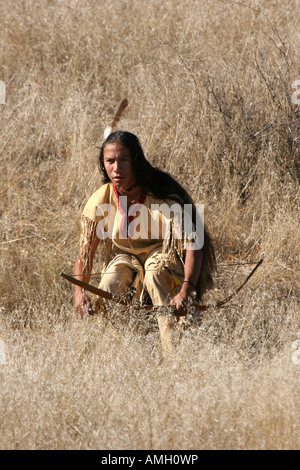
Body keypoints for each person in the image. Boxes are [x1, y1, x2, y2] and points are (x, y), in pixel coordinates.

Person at [73, 131, 215, 353]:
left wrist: (187, 289)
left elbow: (192, 245)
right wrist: (79, 294)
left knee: (156, 272)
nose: (117, 168)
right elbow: (85, 255)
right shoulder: (101, 198)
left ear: (136, 160)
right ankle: (114, 353)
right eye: (110, 161)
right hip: (125, 257)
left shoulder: (162, 195)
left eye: (124, 160)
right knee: (109, 283)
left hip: (163, 255)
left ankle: (176, 355)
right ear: (103, 164)